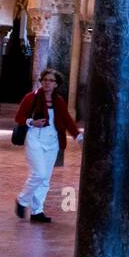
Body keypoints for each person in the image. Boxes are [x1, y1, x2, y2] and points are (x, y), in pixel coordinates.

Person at [13, 69, 81, 223]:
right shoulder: (31, 98)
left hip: (53, 142)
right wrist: (32, 122)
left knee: (45, 180)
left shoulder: (59, 101)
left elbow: (68, 121)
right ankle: (22, 200)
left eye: (50, 80)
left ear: (56, 84)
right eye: (44, 80)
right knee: (39, 173)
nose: (47, 83)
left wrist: (78, 136)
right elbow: (19, 117)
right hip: (35, 139)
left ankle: (37, 211)